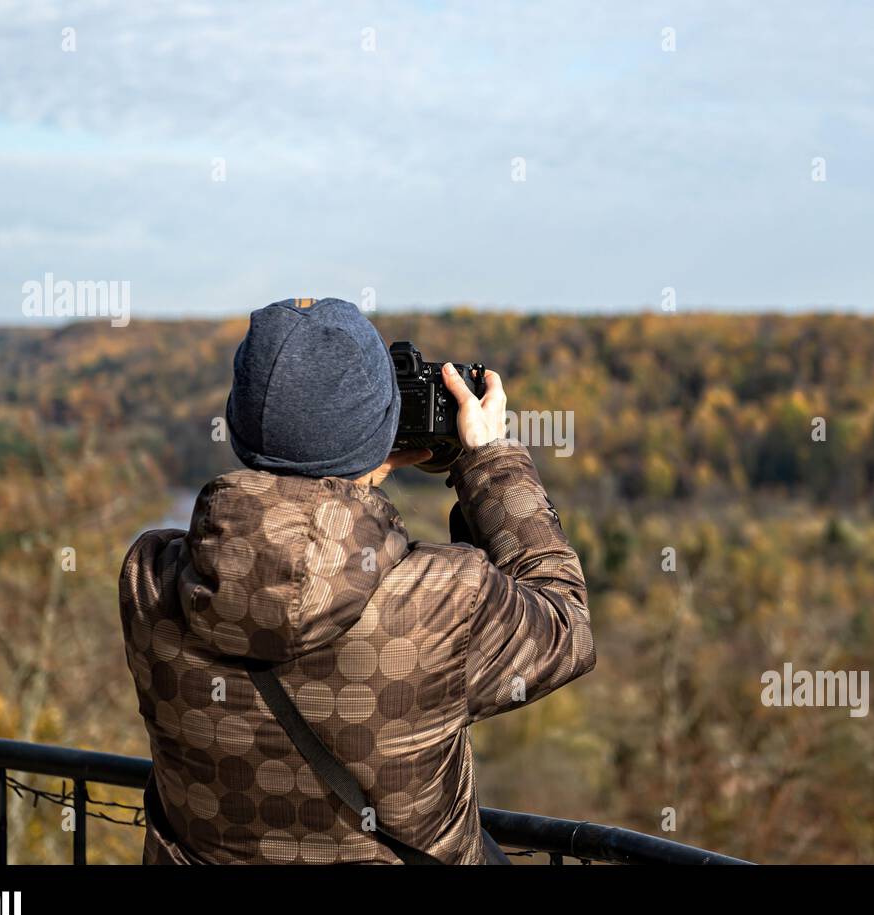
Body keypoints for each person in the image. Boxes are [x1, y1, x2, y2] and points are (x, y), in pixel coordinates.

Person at [118, 297, 595, 864]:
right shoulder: (444, 600)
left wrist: (363, 453)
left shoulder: (149, 583)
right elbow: (567, 623)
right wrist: (487, 460)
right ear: (384, 438)